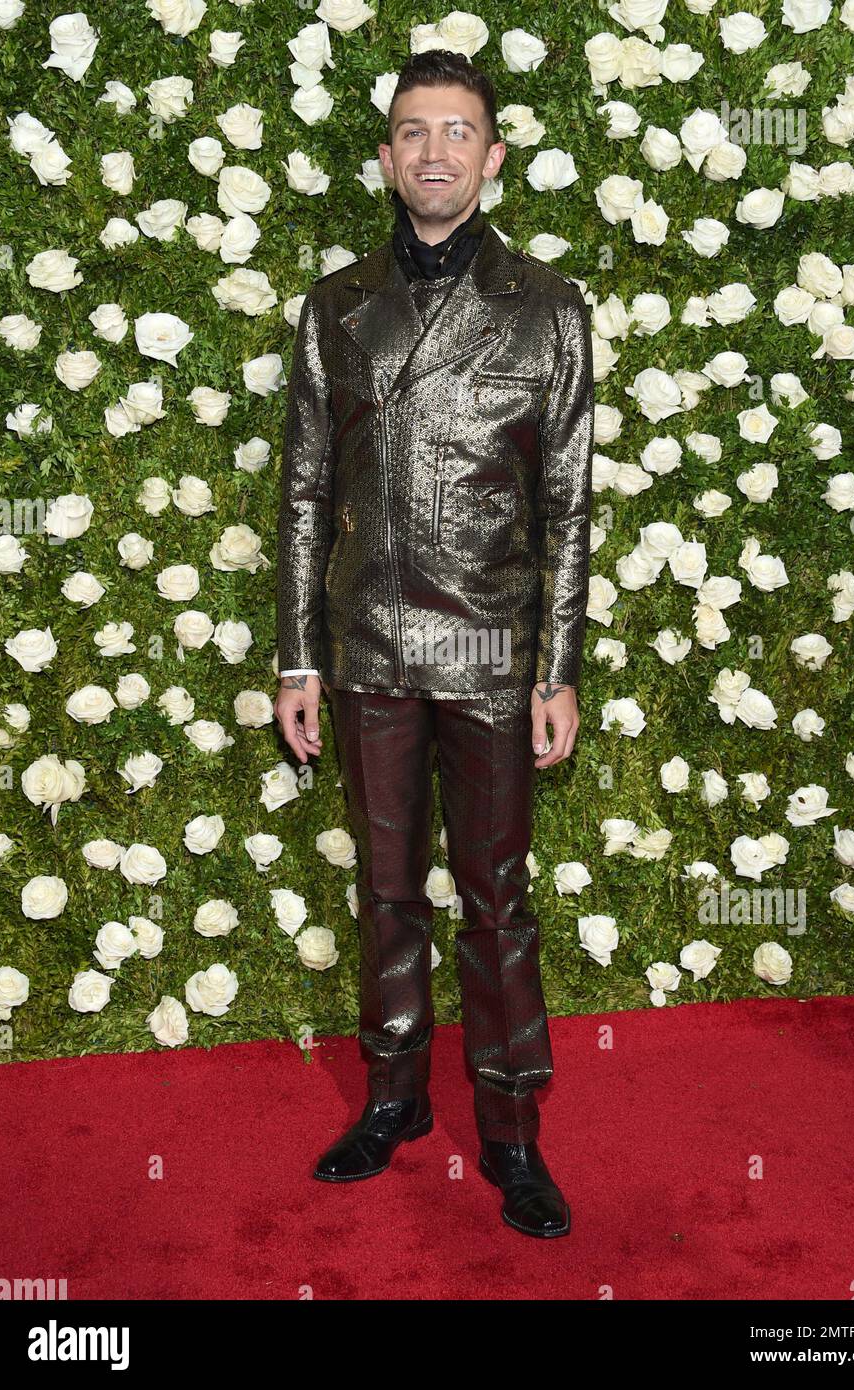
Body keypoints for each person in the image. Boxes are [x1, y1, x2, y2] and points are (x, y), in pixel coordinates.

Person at [274, 49, 594, 1238]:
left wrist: (558, 667)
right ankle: (395, 1097)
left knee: (498, 901)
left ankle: (512, 1132)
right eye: (414, 131)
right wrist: (296, 660)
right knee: (387, 888)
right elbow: (305, 495)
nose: (435, 152)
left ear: (494, 155)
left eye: (458, 132)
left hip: (497, 657)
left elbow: (569, 501)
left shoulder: (551, 307)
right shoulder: (335, 305)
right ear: (386, 155)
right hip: (365, 651)